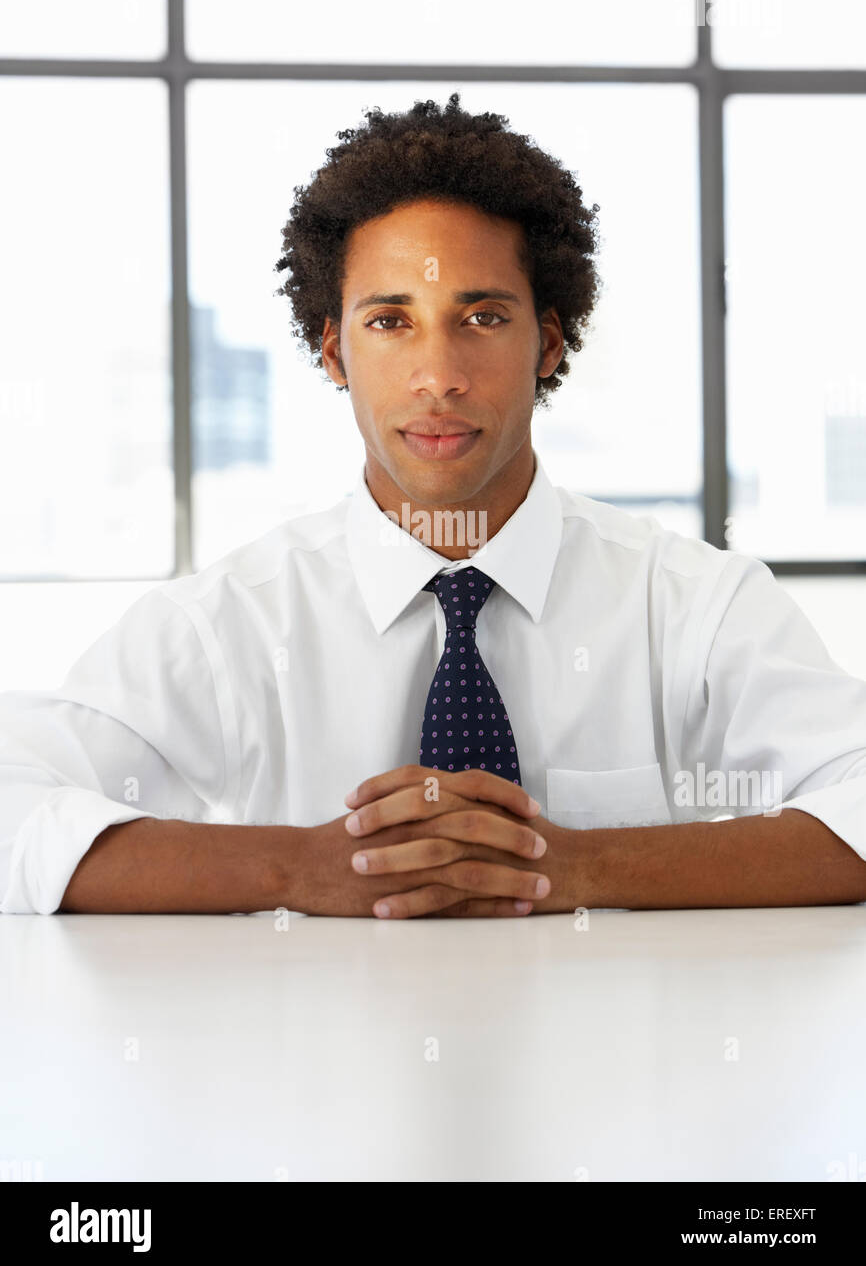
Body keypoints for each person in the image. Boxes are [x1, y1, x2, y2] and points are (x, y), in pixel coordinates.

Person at [2, 92, 866, 919]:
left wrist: (574, 867)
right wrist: (301, 868)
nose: (438, 376)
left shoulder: (693, 606)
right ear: (333, 351)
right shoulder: (226, 624)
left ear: (549, 343)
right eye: (390, 321)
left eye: (482, 317)